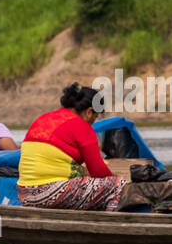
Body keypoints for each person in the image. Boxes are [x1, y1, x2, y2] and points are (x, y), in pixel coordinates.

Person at [16, 83, 126, 211]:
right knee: (118, 185)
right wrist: (114, 179)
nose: (93, 122)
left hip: (24, 194)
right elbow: (98, 171)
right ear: (89, 111)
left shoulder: (43, 118)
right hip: (47, 193)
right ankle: (109, 225)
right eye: (95, 117)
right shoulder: (82, 126)